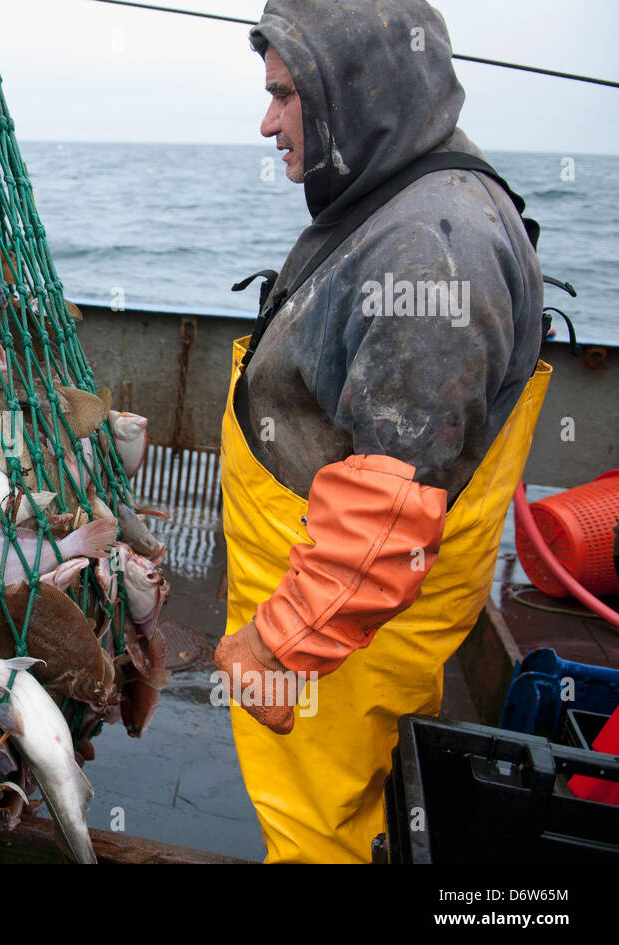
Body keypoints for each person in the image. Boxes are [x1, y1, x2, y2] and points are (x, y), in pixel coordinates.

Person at [212, 0, 551, 863]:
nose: (267, 122)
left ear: (351, 98)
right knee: (349, 798)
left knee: (317, 825)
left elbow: (389, 509)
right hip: (333, 600)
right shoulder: (407, 190)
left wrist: (278, 643)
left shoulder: (432, 251)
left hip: (338, 626)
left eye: (285, 97)